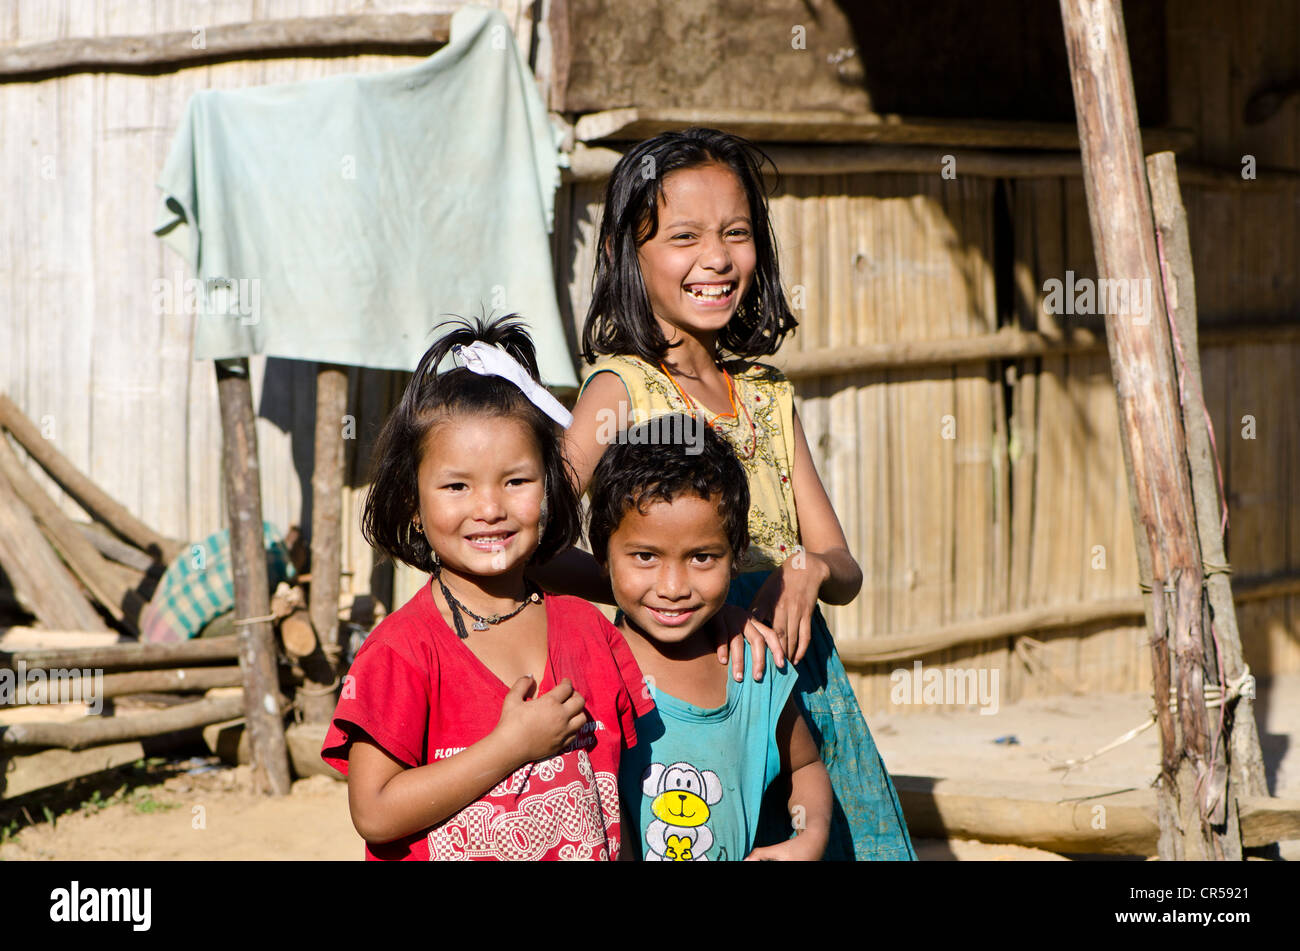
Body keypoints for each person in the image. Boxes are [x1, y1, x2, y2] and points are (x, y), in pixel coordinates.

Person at [563, 127, 915, 860]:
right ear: (623, 255)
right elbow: (535, 544)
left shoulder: (766, 395)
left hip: (803, 685)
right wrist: (678, 587)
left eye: (736, 233)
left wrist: (807, 571)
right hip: (690, 701)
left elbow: (841, 562)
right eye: (684, 236)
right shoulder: (619, 389)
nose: (717, 258)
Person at [320, 314, 652, 860]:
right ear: (414, 507)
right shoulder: (400, 653)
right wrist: (509, 748)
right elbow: (374, 813)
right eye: (456, 486)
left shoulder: (589, 631)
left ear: (550, 487)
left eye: (516, 480)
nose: (491, 509)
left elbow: (620, 798)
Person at [588, 416, 831, 860]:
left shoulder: (755, 671)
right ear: (602, 553)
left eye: (702, 557)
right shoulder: (587, 667)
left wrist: (808, 837)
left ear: (736, 556)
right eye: (645, 556)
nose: (673, 586)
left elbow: (806, 765)